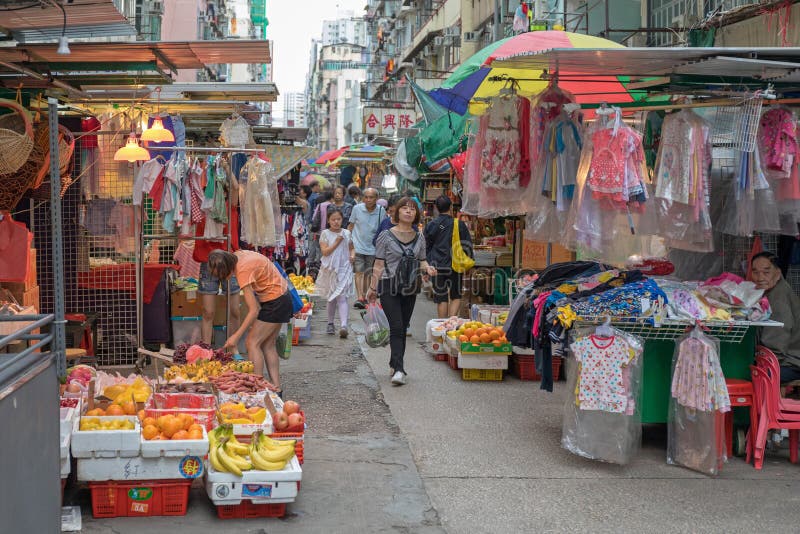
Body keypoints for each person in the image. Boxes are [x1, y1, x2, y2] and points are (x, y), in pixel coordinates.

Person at [368, 197, 437, 385]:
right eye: (405, 208)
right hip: (388, 284)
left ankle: (394, 361)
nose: (408, 211)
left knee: (403, 325)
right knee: (397, 326)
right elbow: (379, 263)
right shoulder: (385, 236)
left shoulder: (420, 237)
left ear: (416, 214)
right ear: (397, 212)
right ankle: (399, 369)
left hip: (410, 285)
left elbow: (422, 259)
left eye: (412, 209)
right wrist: (373, 287)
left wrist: (428, 268)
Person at [210, 249, 293, 397]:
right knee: (267, 345)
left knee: (252, 342)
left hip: (275, 302)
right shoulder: (238, 255)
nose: (226, 279)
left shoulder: (242, 270)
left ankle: (257, 389)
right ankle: (276, 389)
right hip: (281, 297)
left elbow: (254, 309)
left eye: (223, 276)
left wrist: (236, 336)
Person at [751, 251, 800, 382]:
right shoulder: (769, 291)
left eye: (766, 272)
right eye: (755, 272)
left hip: (791, 363)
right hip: (787, 359)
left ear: (777, 274)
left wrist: (760, 362)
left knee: (748, 375)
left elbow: (776, 347)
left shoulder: (778, 298)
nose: (760, 277)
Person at [424, 195, 473, 318]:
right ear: (451, 207)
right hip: (454, 265)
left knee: (441, 297)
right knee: (456, 296)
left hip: (435, 266)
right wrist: (468, 263)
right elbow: (467, 245)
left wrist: (426, 267)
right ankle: (450, 326)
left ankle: (441, 327)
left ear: (436, 208)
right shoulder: (459, 224)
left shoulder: (431, 224)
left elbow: (425, 247)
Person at [318, 207, 355, 338]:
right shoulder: (325, 234)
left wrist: (352, 255)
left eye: (338, 219)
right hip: (330, 269)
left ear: (342, 220)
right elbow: (325, 252)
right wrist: (337, 241)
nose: (336, 222)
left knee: (342, 296)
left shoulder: (347, 233)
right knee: (332, 297)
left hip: (344, 268)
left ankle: (344, 325)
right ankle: (330, 323)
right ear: (328, 220)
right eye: (333, 219)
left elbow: (351, 248)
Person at [348, 187, 387, 309]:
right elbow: (351, 226)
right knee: (359, 272)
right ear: (363, 198)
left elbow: (383, 230)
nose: (368, 200)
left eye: (371, 197)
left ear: (377, 199)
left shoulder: (381, 211)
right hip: (358, 246)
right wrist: (349, 244)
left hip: (373, 248)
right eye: (366, 197)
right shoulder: (356, 209)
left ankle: (364, 296)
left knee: (368, 273)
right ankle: (360, 297)